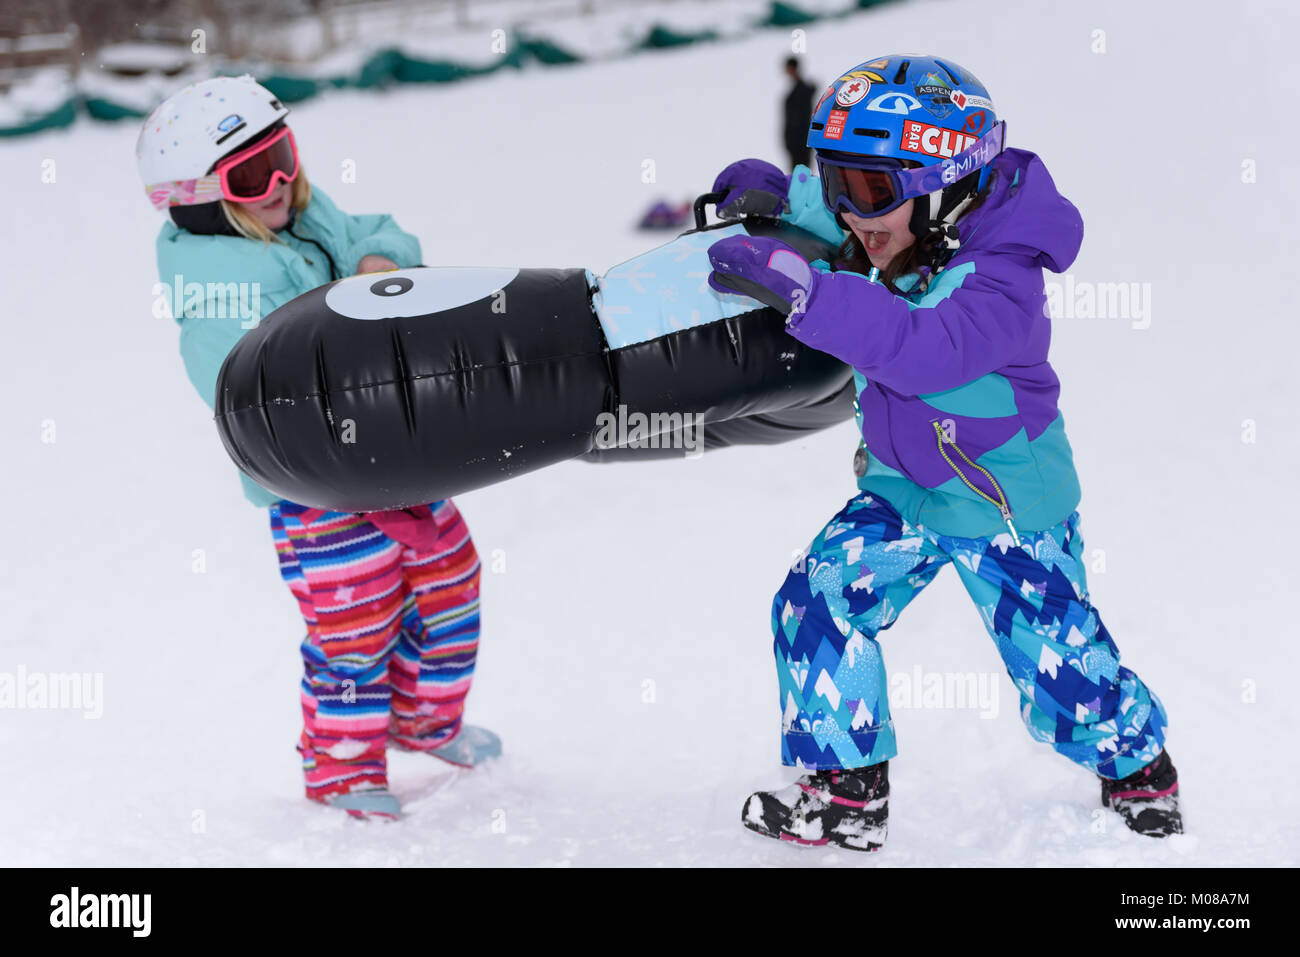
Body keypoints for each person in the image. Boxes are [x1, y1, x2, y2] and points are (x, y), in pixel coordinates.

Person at [706, 55, 1180, 850]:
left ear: (948, 183)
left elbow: (921, 349)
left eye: (869, 191)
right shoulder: (904, 223)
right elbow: (848, 227)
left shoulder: (1002, 278)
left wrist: (813, 295)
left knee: (1061, 677)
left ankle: (1137, 766)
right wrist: (789, 197)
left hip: (1004, 504)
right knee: (818, 599)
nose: (853, 215)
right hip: (903, 490)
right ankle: (847, 790)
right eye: (838, 180)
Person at [138, 75, 499, 821]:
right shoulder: (217, 299)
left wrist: (375, 265)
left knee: (451, 581)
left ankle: (425, 719)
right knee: (355, 628)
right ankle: (340, 766)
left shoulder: (307, 214)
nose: (279, 182)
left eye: (285, 153)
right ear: (200, 197)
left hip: (401, 455)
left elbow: (381, 232)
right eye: (250, 173)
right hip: (318, 495)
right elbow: (254, 403)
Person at [782, 57, 816, 172]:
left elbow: (800, 119)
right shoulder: (797, 89)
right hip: (797, 143)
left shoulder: (801, 91)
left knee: (801, 179)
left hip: (800, 143)